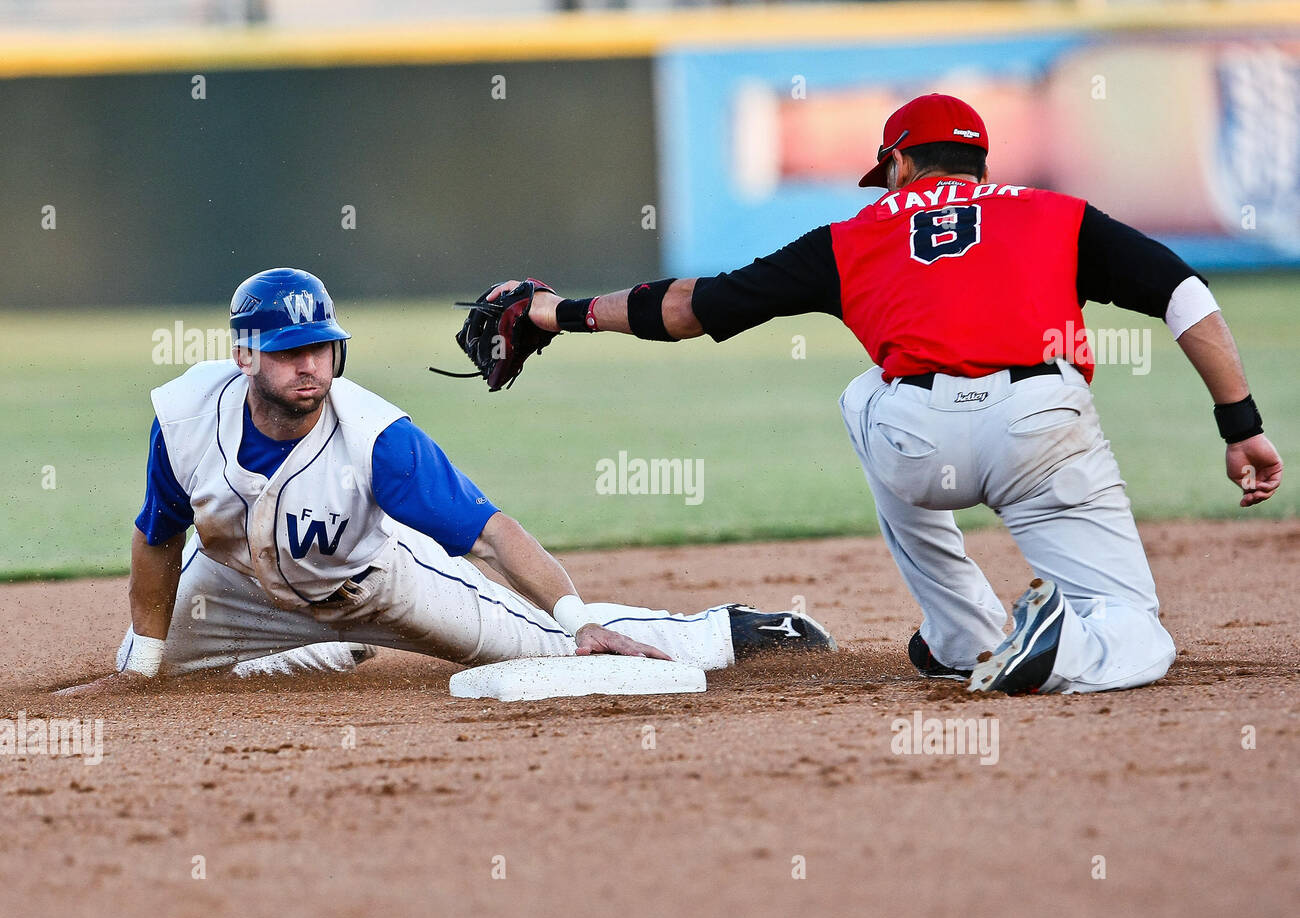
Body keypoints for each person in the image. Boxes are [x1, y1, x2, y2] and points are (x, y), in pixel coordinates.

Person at [490, 93, 1283, 694]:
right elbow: (1185, 293)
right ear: (979, 166)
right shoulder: (1054, 216)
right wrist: (1238, 423)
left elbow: (693, 305)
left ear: (900, 165)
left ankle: (963, 633)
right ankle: (1066, 647)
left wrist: (561, 313)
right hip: (1044, 430)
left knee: (865, 393)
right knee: (1135, 628)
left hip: (918, 438)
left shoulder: (852, 237)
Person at [88, 267, 834, 690]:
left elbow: (489, 537)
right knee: (144, 677)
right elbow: (157, 536)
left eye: (321, 346)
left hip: (380, 583)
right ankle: (316, 651)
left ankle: (727, 631)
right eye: (289, 352)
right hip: (234, 590)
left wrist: (578, 620)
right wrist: (146, 655)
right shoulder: (185, 418)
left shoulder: (379, 438)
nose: (310, 364)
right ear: (246, 355)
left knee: (555, 649)